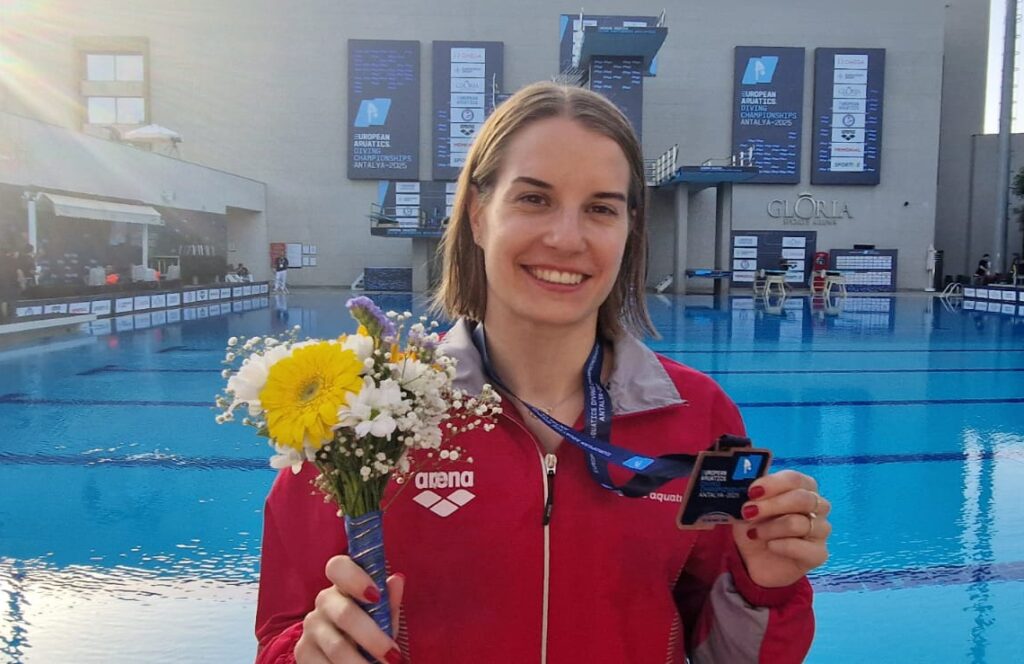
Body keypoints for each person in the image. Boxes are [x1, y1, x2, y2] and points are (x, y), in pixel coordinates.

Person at [255, 83, 829, 664]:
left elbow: (723, 651)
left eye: (601, 209)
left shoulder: (699, 416)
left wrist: (765, 586)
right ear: (479, 215)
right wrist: (307, 652)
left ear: (629, 230)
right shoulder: (365, 412)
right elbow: (282, 631)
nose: (566, 238)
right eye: (534, 199)